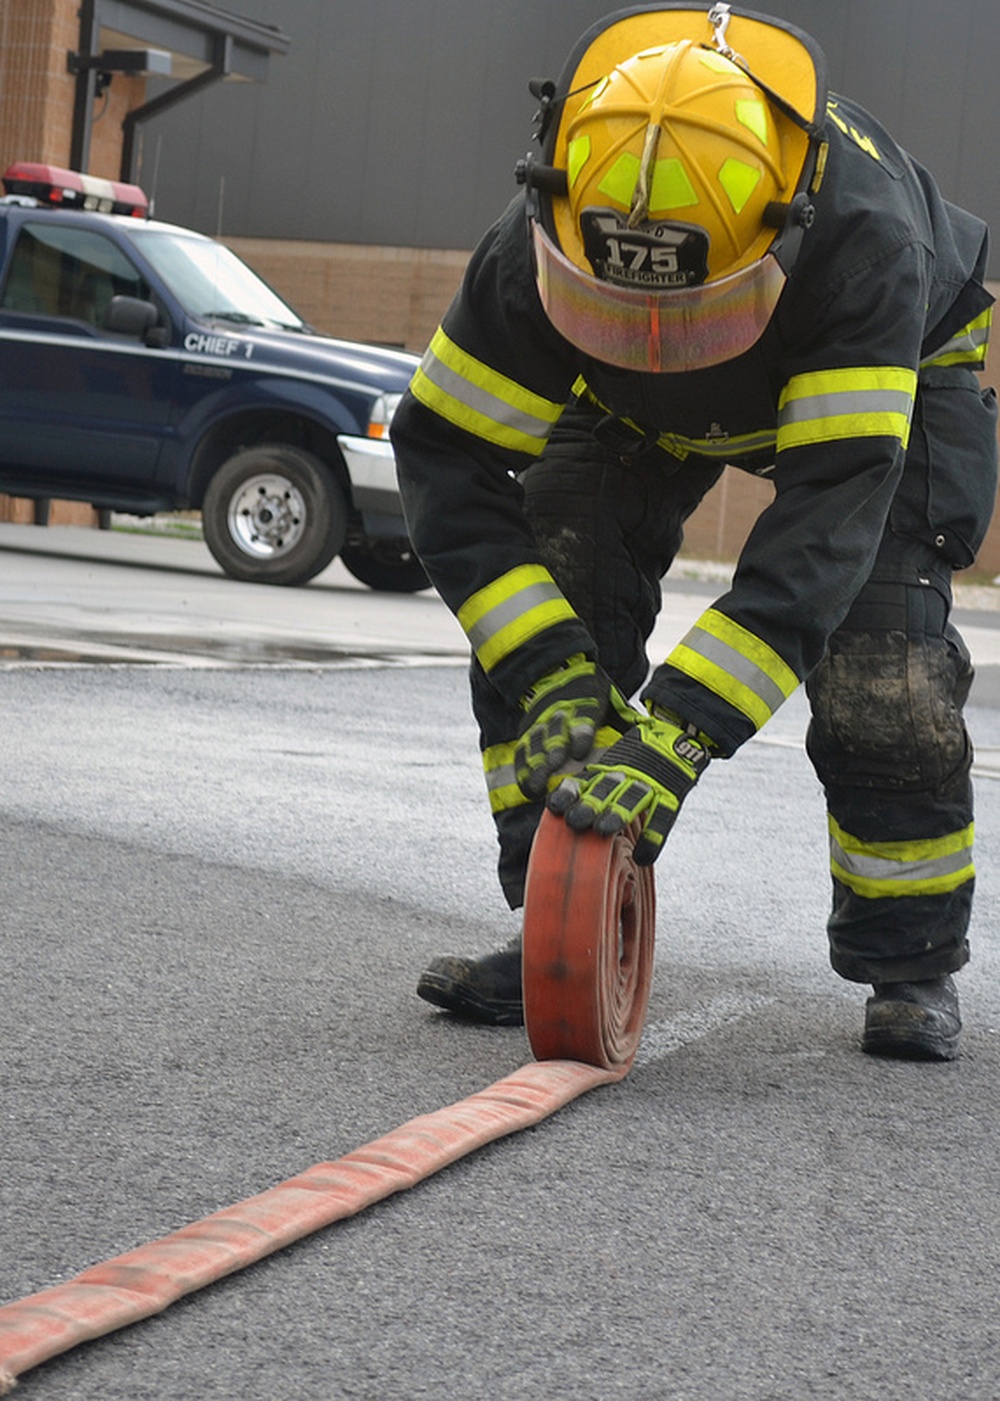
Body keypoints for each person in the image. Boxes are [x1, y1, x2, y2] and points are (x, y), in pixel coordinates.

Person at [390, 2, 998, 1060]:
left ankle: (909, 962)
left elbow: (814, 547)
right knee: (548, 595)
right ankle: (564, 923)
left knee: (879, 670)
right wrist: (549, 673)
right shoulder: (539, 231)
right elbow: (445, 454)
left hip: (880, 363)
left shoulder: (865, 248)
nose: (664, 345)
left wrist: (674, 737)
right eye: (619, 308)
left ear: (780, 236)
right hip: (623, 405)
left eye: (683, 319)